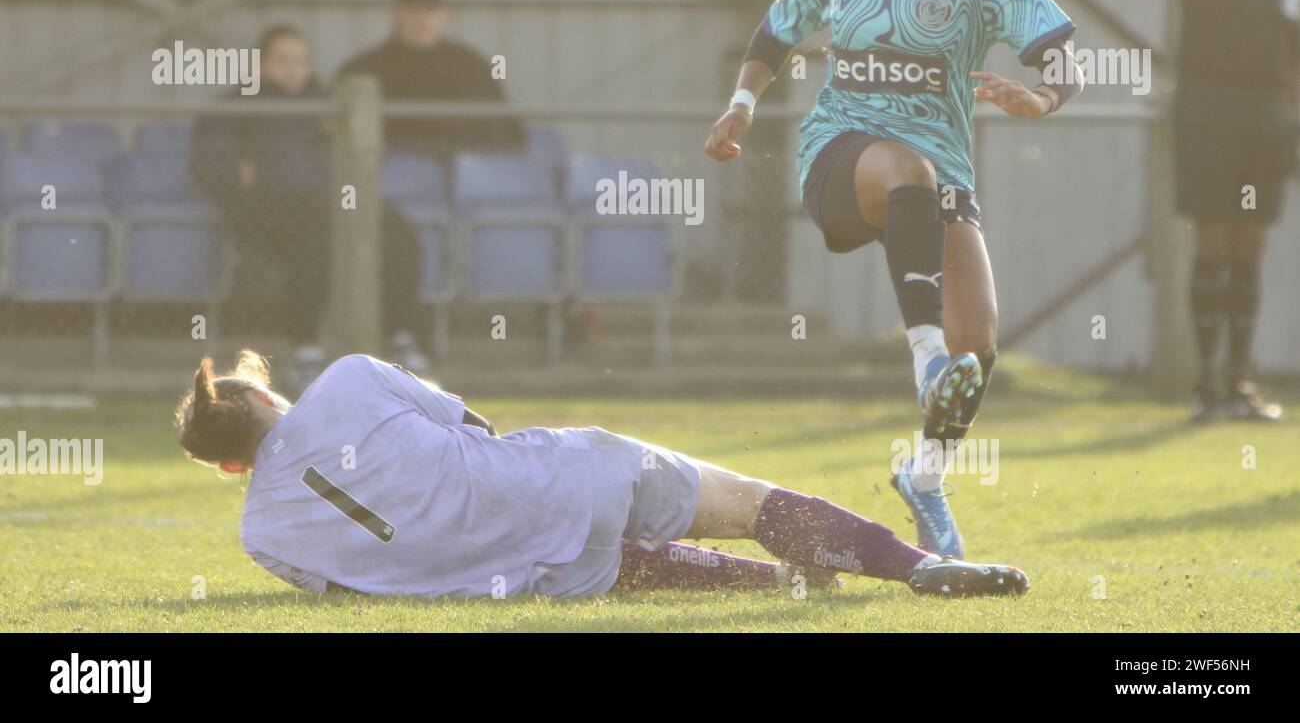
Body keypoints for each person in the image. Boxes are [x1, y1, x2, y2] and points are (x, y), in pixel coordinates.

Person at [705, 0, 1086, 560]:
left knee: (976, 345)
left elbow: (1065, 56)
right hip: (840, 156)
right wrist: (741, 106)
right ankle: (923, 357)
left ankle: (926, 479)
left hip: (938, 170)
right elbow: (772, 37)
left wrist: (1041, 98)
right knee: (906, 176)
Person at [175, 349, 1029, 600]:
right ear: (262, 396)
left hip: (510, 576)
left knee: (612, 566)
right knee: (741, 503)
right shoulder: (351, 376)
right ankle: (920, 568)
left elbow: (352, 593)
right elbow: (471, 424)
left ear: (225, 463)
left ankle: (789, 589)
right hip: (558, 480)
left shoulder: (260, 535)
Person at [189, 25, 431, 393]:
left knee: (401, 236)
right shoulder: (238, 105)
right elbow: (207, 160)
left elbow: (366, 152)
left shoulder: (327, 103)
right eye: (282, 60)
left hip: (339, 202)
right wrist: (237, 170)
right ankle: (307, 351)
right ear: (261, 63)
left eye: (300, 60)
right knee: (314, 244)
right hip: (273, 209)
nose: (292, 69)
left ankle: (402, 338)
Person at [1170, 0, 1295, 423]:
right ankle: (1205, 385)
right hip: (1207, 110)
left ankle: (1239, 383)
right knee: (1212, 242)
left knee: (1250, 246)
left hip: (1262, 119)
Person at [339, 0, 525, 157]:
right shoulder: (364, 68)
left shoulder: (470, 64)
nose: (421, 19)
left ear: (445, 15)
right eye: (412, 10)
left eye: (430, 10)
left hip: (468, 170)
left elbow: (504, 126)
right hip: (394, 169)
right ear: (396, 14)